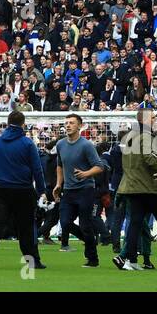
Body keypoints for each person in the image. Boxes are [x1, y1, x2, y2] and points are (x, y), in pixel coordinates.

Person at [0, 110, 47, 270]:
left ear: (7, 122)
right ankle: (32, 261)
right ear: (23, 124)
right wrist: (41, 190)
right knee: (25, 225)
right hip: (22, 189)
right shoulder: (27, 143)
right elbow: (37, 169)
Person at [113, 107, 157, 271]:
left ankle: (130, 260)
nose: (155, 120)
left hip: (132, 187)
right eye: (153, 117)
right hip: (151, 187)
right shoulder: (146, 136)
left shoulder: (129, 137)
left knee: (134, 224)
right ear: (144, 120)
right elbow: (149, 158)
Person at [53, 113, 106, 268]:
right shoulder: (61, 144)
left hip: (85, 190)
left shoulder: (86, 145)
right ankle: (90, 240)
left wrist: (85, 174)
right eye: (66, 122)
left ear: (80, 126)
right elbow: (59, 166)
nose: (68, 125)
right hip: (68, 191)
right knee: (65, 223)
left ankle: (92, 259)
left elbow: (99, 166)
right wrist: (58, 184)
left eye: (72, 123)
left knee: (85, 225)